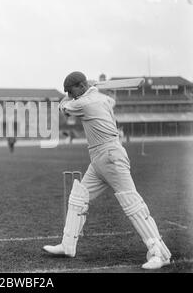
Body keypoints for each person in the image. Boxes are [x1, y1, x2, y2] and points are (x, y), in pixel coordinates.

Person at [43, 71, 171, 269]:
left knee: (132, 203)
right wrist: (89, 89)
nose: (70, 94)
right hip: (98, 160)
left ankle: (160, 253)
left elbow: (63, 107)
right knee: (78, 196)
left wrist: (80, 93)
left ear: (81, 87)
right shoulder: (101, 98)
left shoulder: (84, 103)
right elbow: (110, 101)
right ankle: (68, 245)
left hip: (110, 157)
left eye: (71, 90)